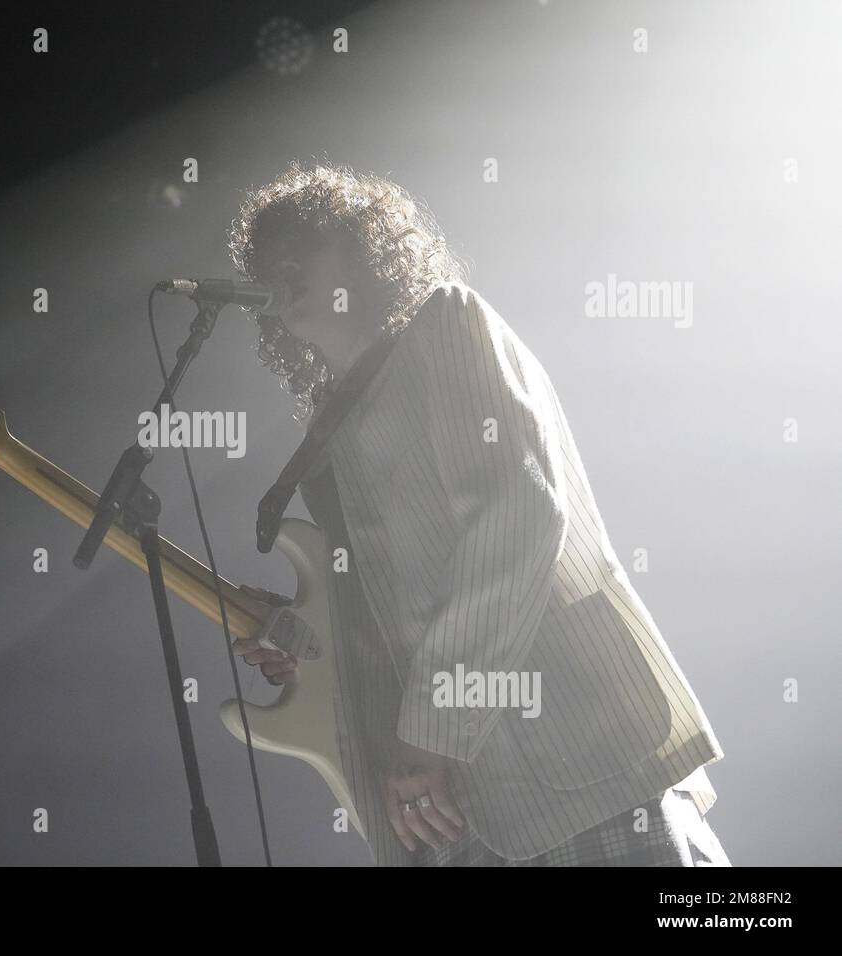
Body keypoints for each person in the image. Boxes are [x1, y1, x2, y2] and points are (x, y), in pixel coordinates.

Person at [228, 160, 730, 866]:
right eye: (264, 255)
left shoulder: (444, 323)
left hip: (572, 755)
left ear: (365, 250)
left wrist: (429, 732)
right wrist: (307, 644)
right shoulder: (327, 430)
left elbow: (518, 518)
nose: (279, 261)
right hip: (459, 815)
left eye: (301, 240)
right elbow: (390, 608)